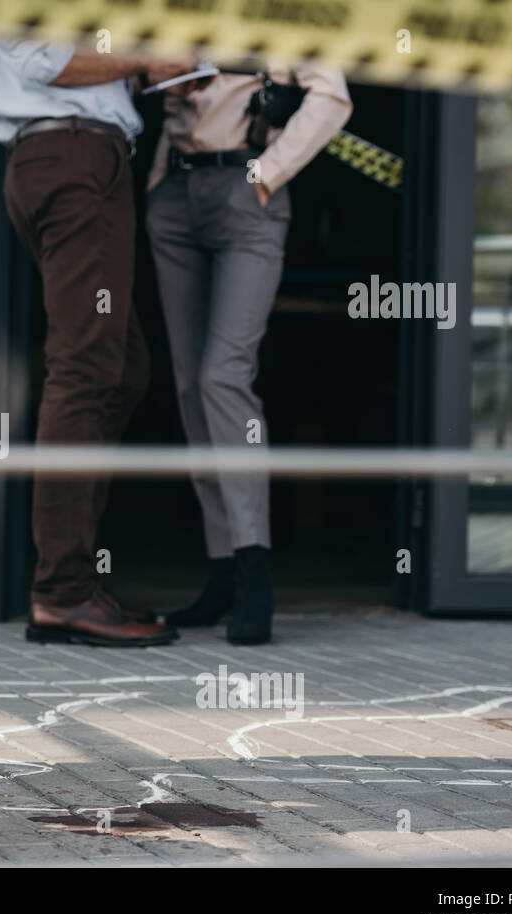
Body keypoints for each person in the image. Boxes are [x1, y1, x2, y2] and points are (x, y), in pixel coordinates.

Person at [0, 39, 202, 647]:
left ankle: (71, 583)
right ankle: (63, 591)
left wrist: (142, 78)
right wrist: (145, 60)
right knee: (84, 369)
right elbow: (46, 60)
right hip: (72, 157)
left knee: (119, 366)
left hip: (73, 154)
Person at [144, 62, 352, 644]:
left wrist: (269, 171)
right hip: (176, 192)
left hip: (246, 190)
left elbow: (331, 94)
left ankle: (254, 569)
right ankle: (222, 573)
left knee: (222, 378)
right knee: (189, 385)